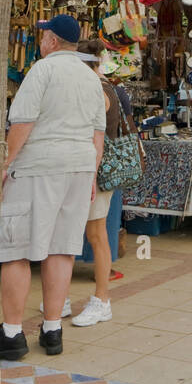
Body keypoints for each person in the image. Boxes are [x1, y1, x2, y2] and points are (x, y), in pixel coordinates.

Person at [0, 14, 106, 360]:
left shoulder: (41, 70)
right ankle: (52, 329)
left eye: (43, 35)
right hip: (79, 165)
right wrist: (91, 174)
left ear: (53, 41)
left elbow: (22, 122)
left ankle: (13, 334)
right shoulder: (92, 79)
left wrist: (6, 163)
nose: (40, 40)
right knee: (62, 248)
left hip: (38, 167)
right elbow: (97, 134)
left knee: (16, 248)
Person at [69, 40, 124, 326]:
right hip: (89, 171)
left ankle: (102, 300)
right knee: (82, 233)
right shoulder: (104, 86)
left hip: (97, 173)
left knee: (96, 234)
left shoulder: (98, 90)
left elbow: (95, 137)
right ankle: (62, 298)